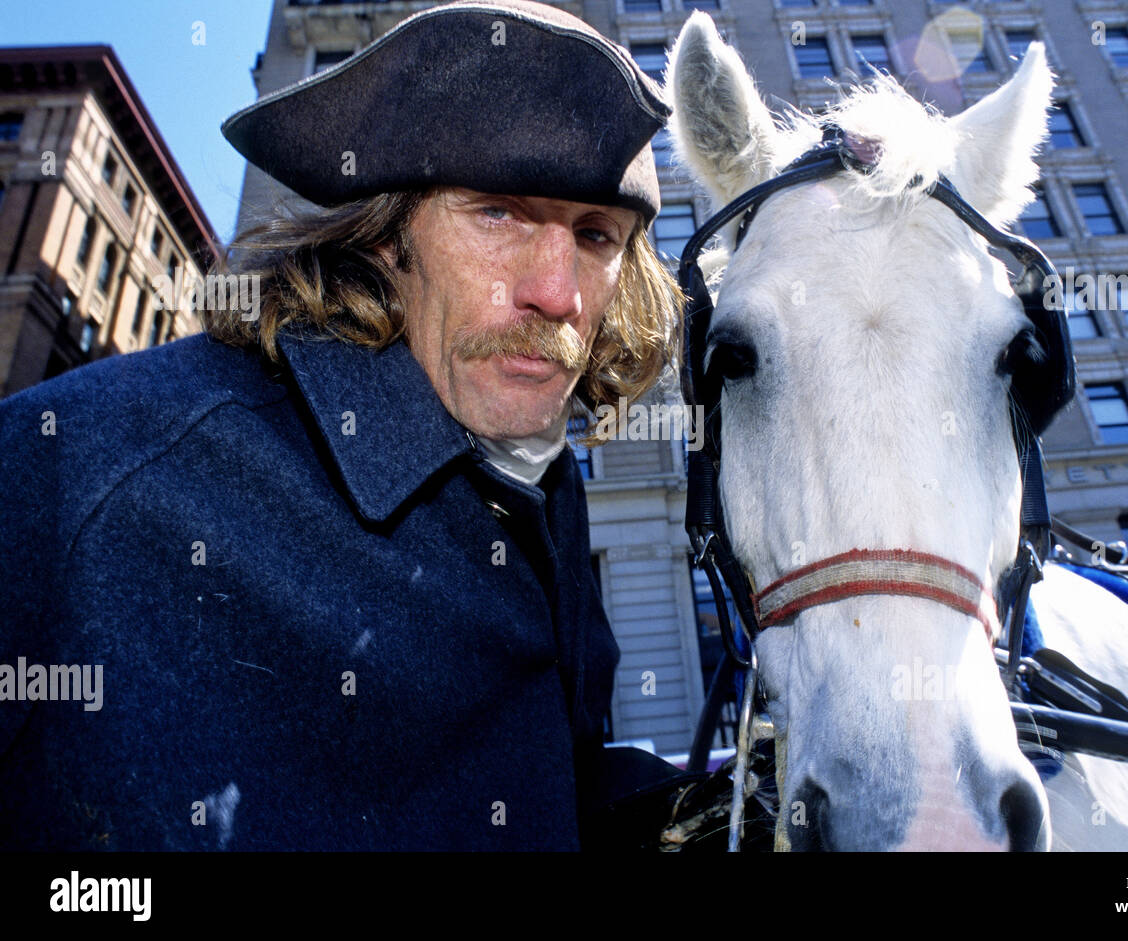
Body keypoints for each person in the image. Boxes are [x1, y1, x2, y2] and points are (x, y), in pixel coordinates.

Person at [0, 0, 692, 850]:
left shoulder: (543, 492)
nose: (560, 292)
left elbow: (547, 778)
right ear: (384, 236)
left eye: (595, 235)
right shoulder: (88, 469)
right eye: (499, 214)